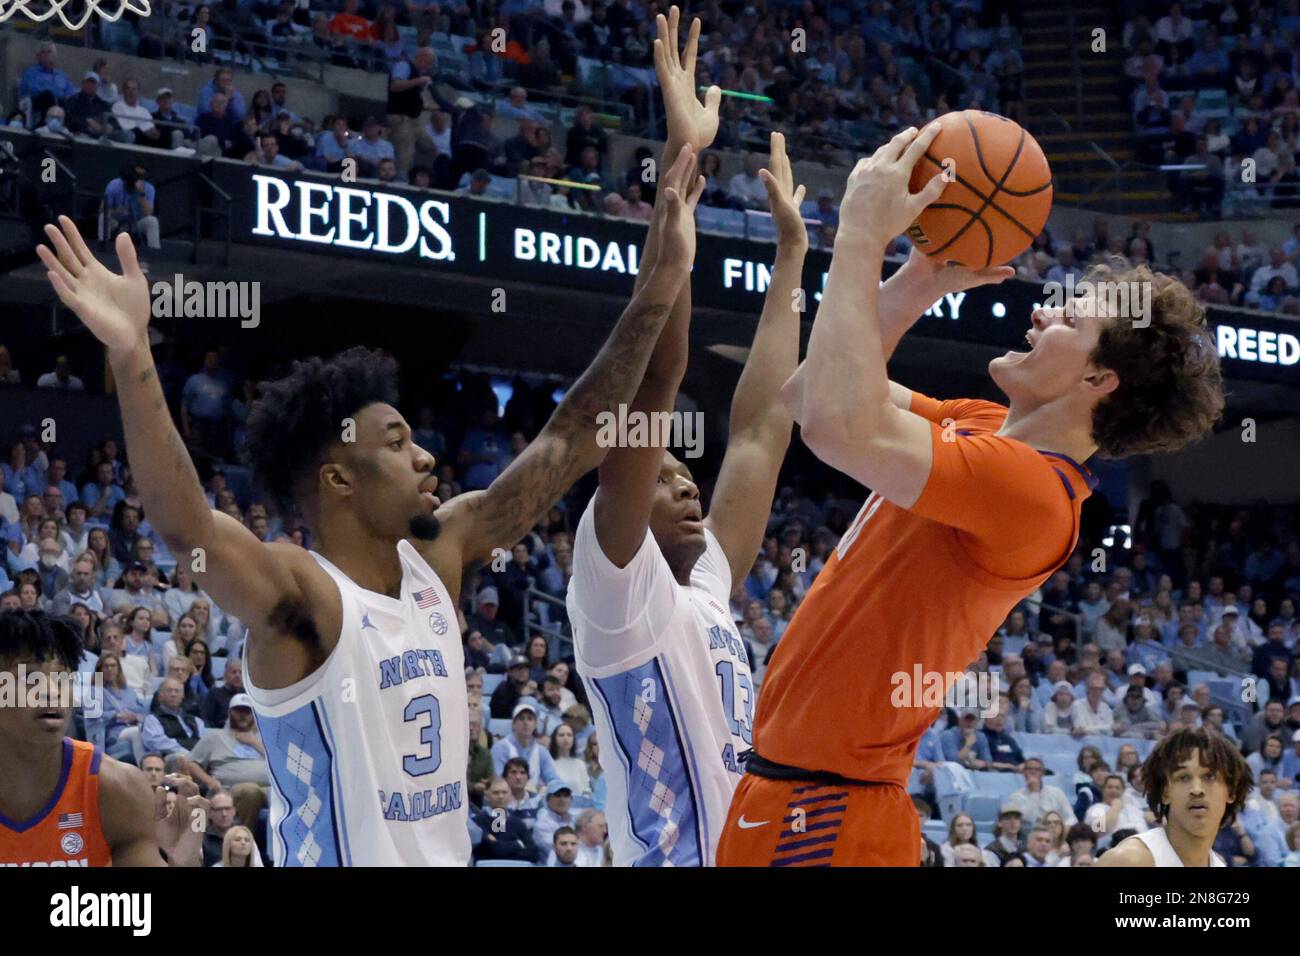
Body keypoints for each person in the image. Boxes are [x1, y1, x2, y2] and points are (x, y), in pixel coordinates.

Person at [36, 112, 698, 863]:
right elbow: (187, 525)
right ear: (339, 479)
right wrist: (132, 357)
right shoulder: (304, 598)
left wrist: (664, 260)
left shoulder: (439, 555)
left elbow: (572, 435)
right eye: (397, 442)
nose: (425, 458)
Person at [718, 115, 1224, 866]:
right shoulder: (986, 425)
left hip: (829, 812)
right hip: (799, 796)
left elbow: (834, 425)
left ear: (1096, 379)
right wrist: (918, 280)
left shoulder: (1036, 494)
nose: (1042, 310)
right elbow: (809, 392)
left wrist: (861, 234)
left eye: (1068, 317)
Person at [568, 11, 796, 868]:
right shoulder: (613, 588)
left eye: (684, 477)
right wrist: (680, 160)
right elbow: (655, 378)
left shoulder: (702, 582)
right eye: (664, 476)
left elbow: (764, 432)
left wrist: (790, 259)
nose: (688, 484)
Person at [0, 610, 199, 865]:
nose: (51, 692)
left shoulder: (117, 788)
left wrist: (182, 861)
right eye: (30, 678)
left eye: (63, 678)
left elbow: (138, 905)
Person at [1098, 727, 1252, 867]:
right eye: (1184, 777)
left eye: (1209, 777)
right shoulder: (1129, 860)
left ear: (1231, 792)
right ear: (1165, 793)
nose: (1197, 790)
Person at [104, 164, 161, 252]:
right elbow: (102, 209)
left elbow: (148, 213)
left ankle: (154, 252)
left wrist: (141, 194)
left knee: (152, 221)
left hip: (137, 223)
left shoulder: (148, 188)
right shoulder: (114, 185)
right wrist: (116, 211)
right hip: (117, 221)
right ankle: (103, 247)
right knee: (103, 217)